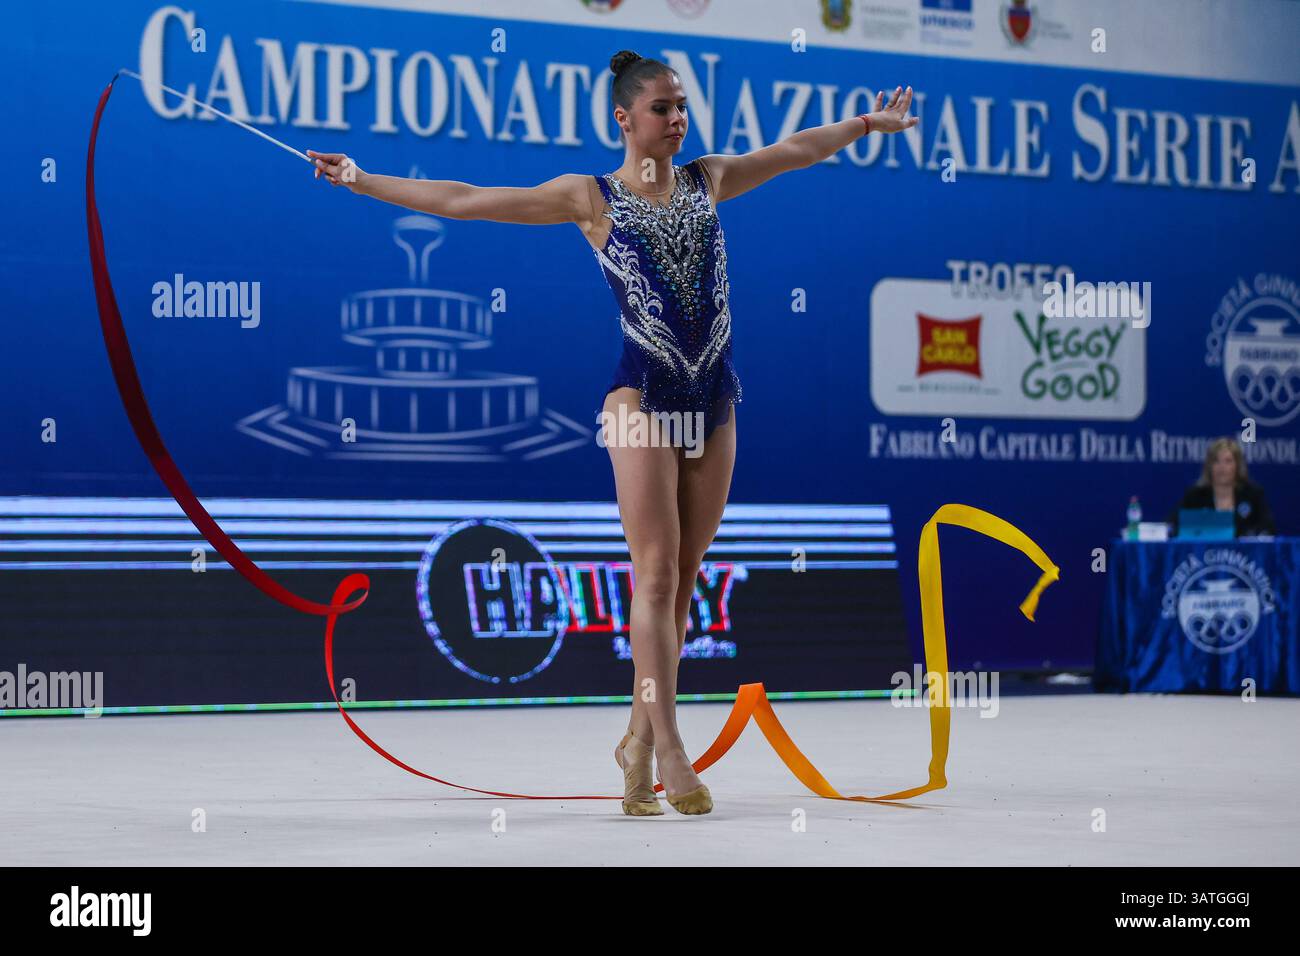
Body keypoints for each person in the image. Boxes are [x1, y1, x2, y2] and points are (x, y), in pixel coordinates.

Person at [306, 51, 917, 816]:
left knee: (685, 582)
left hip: (714, 396)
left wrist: (868, 124)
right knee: (655, 574)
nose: (677, 119)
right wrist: (361, 177)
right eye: (662, 108)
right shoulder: (589, 198)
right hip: (642, 398)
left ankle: (634, 738)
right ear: (625, 119)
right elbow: (462, 199)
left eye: (682, 106)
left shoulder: (709, 179)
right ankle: (668, 748)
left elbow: (794, 151)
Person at [1168, 437, 1276, 537]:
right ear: (1209, 466)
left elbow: (1268, 528)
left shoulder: (1252, 495)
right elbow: (1172, 526)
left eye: (1228, 461)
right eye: (1216, 461)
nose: (1222, 467)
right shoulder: (1195, 496)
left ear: (1237, 466)